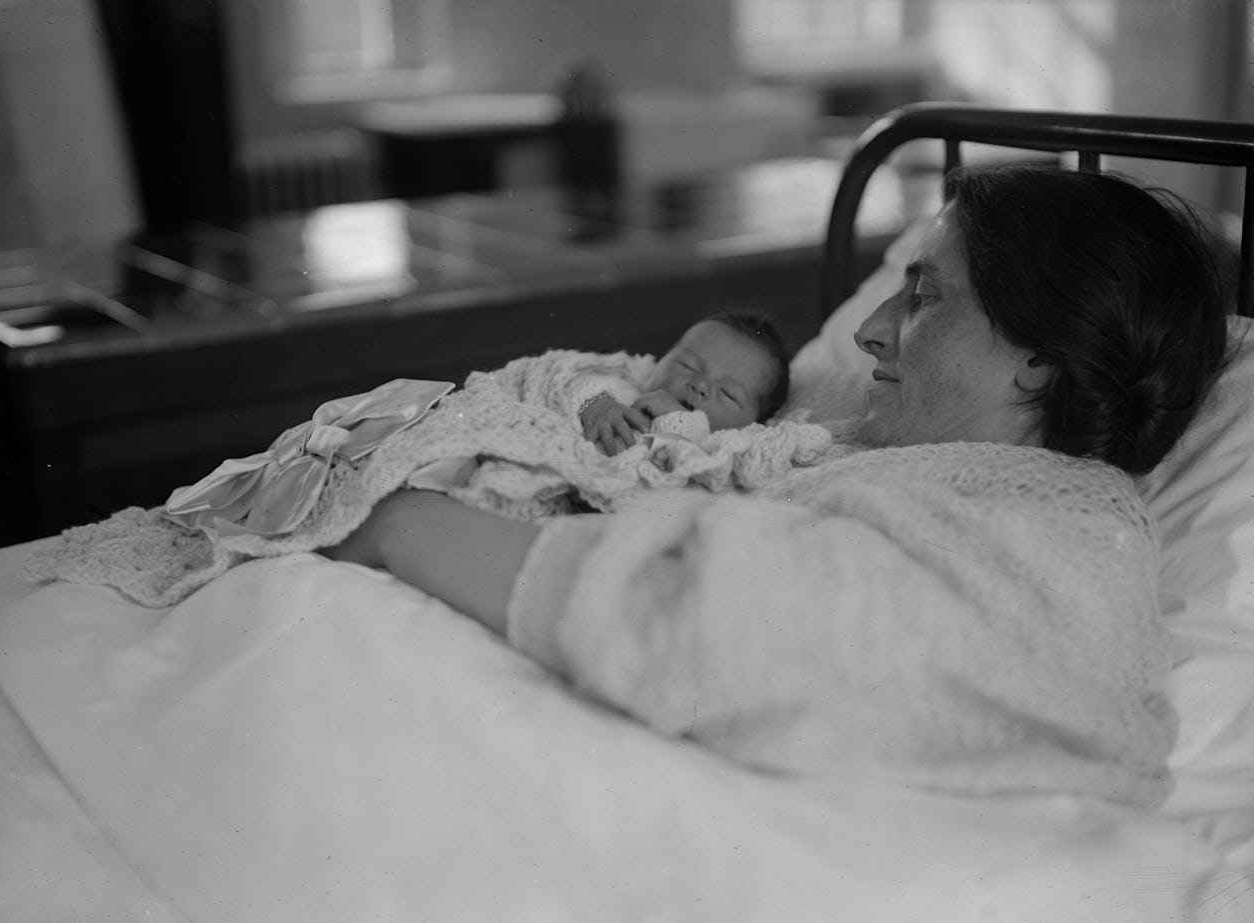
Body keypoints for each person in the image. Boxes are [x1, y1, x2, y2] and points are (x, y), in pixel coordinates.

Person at [328, 163, 1231, 809]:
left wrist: (399, 524)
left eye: (924, 297)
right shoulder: (880, 436)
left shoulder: (1071, 545)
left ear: (1040, 356)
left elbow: (715, 623)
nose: (870, 330)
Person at [485, 308, 790, 456]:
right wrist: (594, 403)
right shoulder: (627, 378)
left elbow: (680, 469)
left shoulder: (728, 448)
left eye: (728, 393)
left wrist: (681, 425)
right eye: (686, 364)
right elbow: (559, 371)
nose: (699, 384)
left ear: (757, 423)